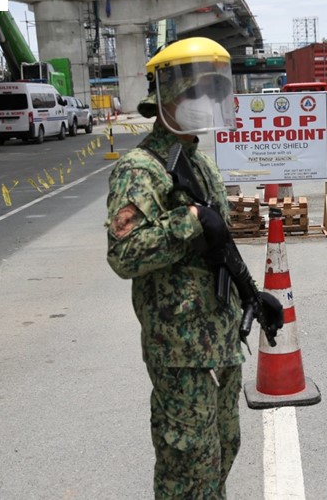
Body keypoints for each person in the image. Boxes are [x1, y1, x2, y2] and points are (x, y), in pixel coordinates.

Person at [105, 37, 244, 499]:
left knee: (223, 450)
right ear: (165, 98)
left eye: (208, 93)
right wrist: (186, 220)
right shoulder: (140, 169)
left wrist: (251, 293)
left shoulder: (198, 162)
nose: (201, 103)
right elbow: (124, 255)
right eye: (191, 94)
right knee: (187, 467)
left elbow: (218, 242)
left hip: (219, 342)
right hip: (179, 349)